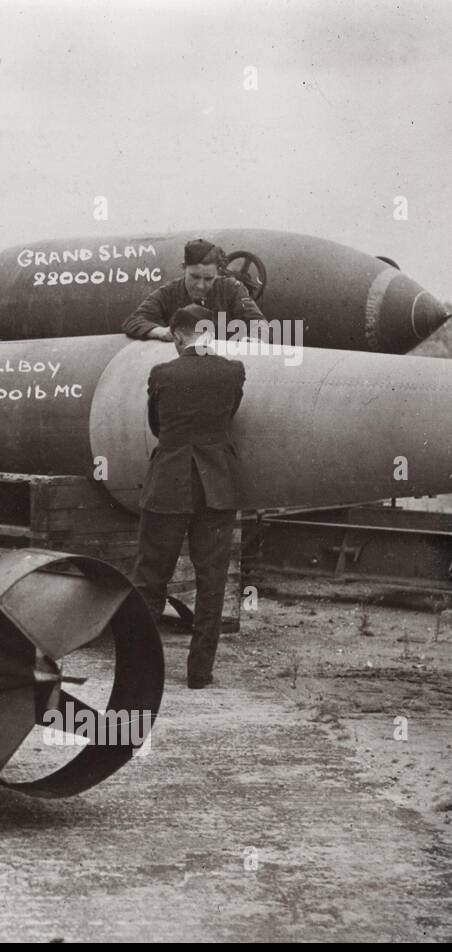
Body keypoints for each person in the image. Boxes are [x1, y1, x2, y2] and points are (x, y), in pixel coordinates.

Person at [131, 304, 246, 690]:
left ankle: (143, 669)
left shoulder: (162, 373)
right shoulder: (233, 372)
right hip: (217, 487)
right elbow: (229, 417)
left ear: (179, 335)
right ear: (209, 334)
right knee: (211, 580)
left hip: (169, 485)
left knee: (151, 578)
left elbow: (157, 425)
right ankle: (199, 673)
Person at [123, 238, 267, 341]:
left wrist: (256, 340)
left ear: (218, 272)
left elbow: (259, 323)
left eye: (208, 279)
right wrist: (160, 332)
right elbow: (134, 320)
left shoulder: (232, 289)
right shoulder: (168, 292)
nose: (200, 285)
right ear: (183, 268)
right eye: (195, 277)